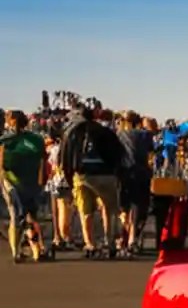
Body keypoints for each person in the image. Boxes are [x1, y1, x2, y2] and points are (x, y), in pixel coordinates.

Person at [60, 105, 125, 257]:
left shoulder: (73, 133)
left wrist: (70, 179)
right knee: (109, 210)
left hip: (82, 175)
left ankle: (90, 244)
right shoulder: (106, 132)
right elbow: (118, 154)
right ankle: (109, 243)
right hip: (106, 175)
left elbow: (66, 157)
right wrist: (117, 174)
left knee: (85, 211)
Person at [1, 110, 49, 262]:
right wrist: (41, 182)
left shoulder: (5, 140)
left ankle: (17, 252)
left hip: (12, 182)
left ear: (11, 122)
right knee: (31, 216)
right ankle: (35, 250)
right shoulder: (36, 139)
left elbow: (1, 164)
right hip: (32, 183)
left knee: (16, 216)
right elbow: (43, 162)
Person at [117, 111, 154, 255]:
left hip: (124, 172)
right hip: (141, 172)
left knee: (124, 207)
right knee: (138, 207)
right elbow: (151, 151)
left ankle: (122, 238)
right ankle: (132, 239)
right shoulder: (144, 135)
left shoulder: (118, 135)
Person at [44, 127, 76, 250]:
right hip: (66, 181)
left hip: (54, 181)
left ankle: (57, 236)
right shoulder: (68, 149)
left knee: (56, 211)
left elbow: (49, 165)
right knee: (67, 209)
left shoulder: (51, 149)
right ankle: (66, 235)